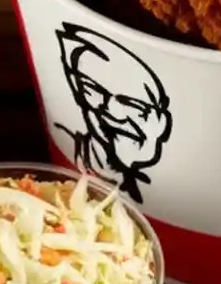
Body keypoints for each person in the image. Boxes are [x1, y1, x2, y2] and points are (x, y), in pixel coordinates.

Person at [54, 24, 172, 203]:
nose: (113, 114)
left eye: (134, 107)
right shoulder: (66, 144)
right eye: (93, 93)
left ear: (161, 121)